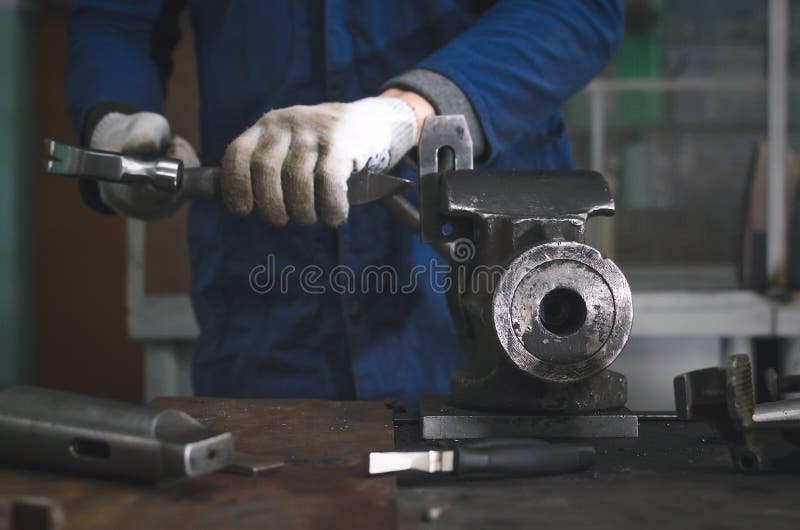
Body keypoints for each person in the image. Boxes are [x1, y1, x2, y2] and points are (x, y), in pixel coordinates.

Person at [66, 1, 624, 407]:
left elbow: (577, 9)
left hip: (483, 275)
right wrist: (116, 117)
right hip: (270, 292)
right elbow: (115, 18)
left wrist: (407, 113)